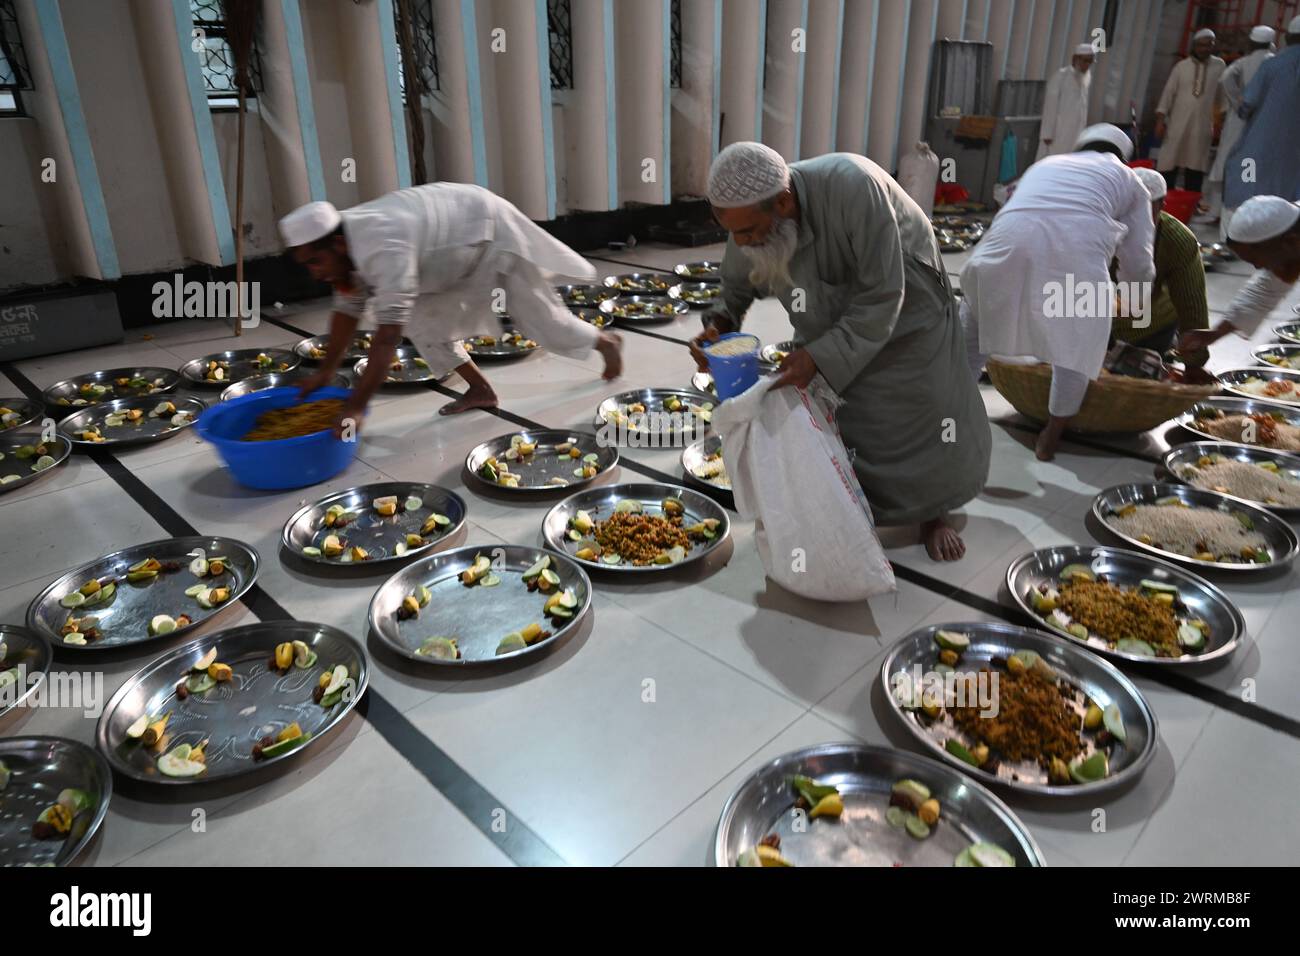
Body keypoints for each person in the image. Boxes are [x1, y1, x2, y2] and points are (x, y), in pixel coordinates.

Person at [691, 142, 991, 561]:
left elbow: (884, 294)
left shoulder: (856, 188)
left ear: (783, 202)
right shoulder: (751, 211)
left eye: (747, 232)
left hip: (907, 300)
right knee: (849, 408)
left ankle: (933, 512)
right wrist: (719, 322)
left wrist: (820, 356)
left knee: (921, 408)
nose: (741, 242)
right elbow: (739, 282)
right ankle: (854, 506)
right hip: (833, 305)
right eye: (733, 233)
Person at [279, 185, 622, 427]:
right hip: (443, 255)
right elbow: (346, 310)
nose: (315, 272)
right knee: (420, 323)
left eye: (315, 261)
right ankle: (479, 389)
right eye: (307, 265)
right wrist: (325, 372)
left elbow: (386, 340)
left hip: (486, 231)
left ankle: (605, 342)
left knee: (542, 321)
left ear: (337, 244)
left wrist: (355, 407)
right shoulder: (348, 246)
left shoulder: (384, 248)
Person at [961, 124, 1155, 461]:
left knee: (973, 332)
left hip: (997, 253)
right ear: (1124, 155)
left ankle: (952, 414)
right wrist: (1136, 304)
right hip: (1073, 266)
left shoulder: (1045, 165)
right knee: (1078, 346)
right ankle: (1050, 435)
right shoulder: (1130, 180)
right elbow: (1138, 260)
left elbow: (1016, 209)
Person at [1177, 196, 1300, 356]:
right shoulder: (1289, 245)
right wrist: (1215, 333)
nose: (1258, 267)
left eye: (1258, 260)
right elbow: (1264, 291)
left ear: (1291, 242)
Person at [1112, 167, 1210, 365]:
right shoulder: (1099, 230)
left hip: (1152, 329)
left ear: (1162, 205)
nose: (1137, 217)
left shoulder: (1178, 239)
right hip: (1098, 326)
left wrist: (1194, 362)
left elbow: (1191, 304)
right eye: (1130, 208)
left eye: (1145, 209)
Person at [1223, 17, 1300, 229]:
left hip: (1261, 144)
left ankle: (1244, 230)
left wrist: (1239, 108)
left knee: (1248, 175)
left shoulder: (1272, 64)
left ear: (1287, 37)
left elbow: (1247, 102)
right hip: (1294, 154)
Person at [1204, 25, 1275, 230]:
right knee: (1252, 165)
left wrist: (1237, 103)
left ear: (1251, 43)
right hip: (1262, 120)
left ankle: (1216, 211)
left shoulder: (1244, 62)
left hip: (1239, 118)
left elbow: (1226, 78)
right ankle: (1247, 215)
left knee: (1225, 162)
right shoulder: (1274, 62)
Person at [1155, 28, 1226, 193]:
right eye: (1201, 45)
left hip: (1202, 126)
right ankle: (1165, 200)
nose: (1205, 49)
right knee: (1169, 161)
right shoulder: (1181, 67)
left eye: (1209, 45)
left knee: (1196, 164)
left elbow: (1222, 98)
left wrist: (1219, 124)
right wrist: (1160, 121)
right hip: (1177, 124)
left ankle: (1189, 203)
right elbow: (1167, 94)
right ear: (1194, 46)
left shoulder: (1219, 66)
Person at [1036, 44, 1096, 162]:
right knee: (1051, 161)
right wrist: (1047, 134)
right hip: (1058, 133)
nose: (1087, 65)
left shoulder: (1085, 79)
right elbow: (1050, 106)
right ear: (1075, 58)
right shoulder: (1061, 76)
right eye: (1085, 61)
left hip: (1075, 133)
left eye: (1090, 62)